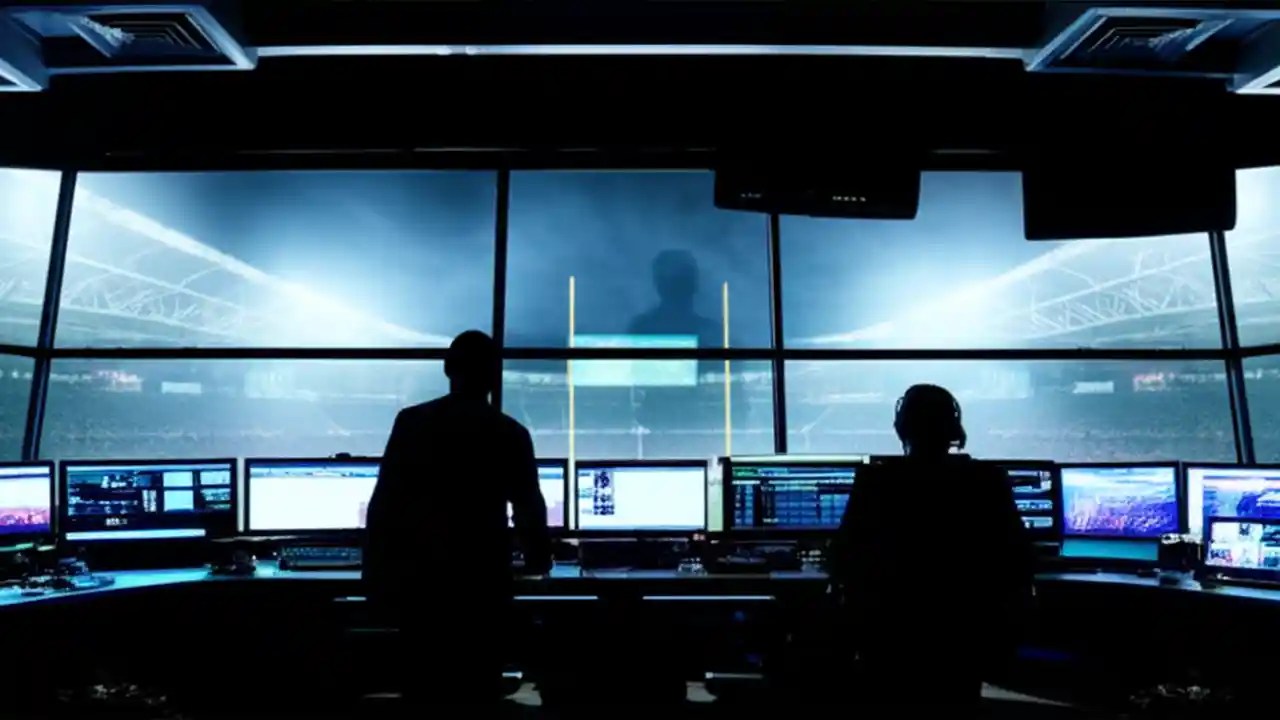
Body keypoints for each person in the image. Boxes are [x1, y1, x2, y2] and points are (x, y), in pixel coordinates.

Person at [364, 330, 552, 707]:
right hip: (481, 583)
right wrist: (539, 560)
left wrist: (375, 573)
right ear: (494, 375)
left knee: (424, 687)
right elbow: (529, 508)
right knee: (478, 688)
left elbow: (383, 504)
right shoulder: (510, 432)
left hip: (420, 582)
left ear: (448, 368)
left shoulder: (411, 422)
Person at [829, 384, 1035, 709]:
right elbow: (1019, 560)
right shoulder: (988, 480)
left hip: (889, 639)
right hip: (962, 641)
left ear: (901, 428)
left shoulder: (876, 482)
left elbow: (842, 559)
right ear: (954, 429)